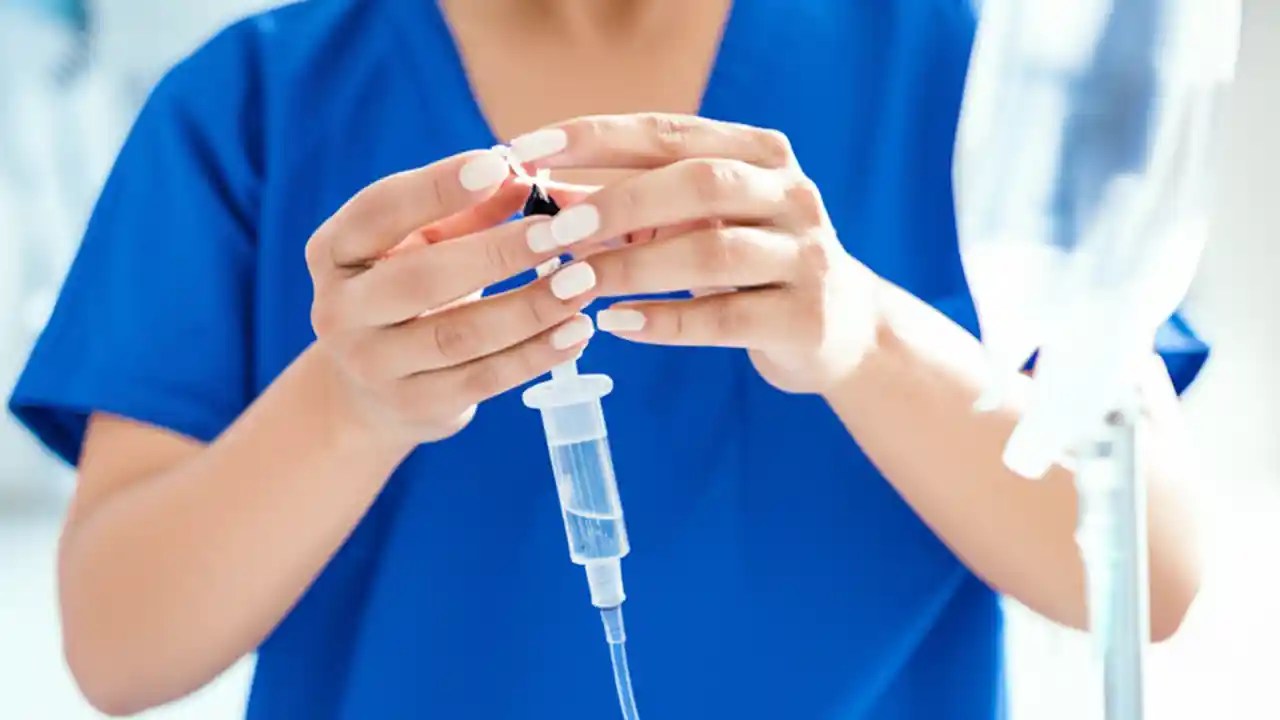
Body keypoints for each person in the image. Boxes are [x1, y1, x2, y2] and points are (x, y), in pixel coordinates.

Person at [9, 1, 1210, 717]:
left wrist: (863, 336)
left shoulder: (970, 76)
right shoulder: (252, 106)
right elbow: (119, 646)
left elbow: (1143, 574)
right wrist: (350, 403)